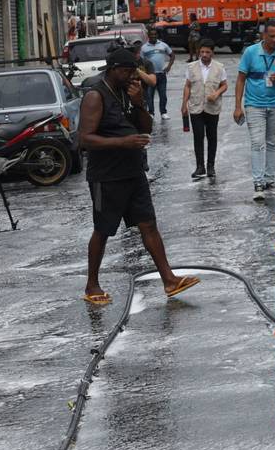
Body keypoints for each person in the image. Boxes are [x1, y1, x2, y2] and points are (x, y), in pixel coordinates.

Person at [79, 47, 200, 306]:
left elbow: (146, 129)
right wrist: (123, 142)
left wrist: (139, 104)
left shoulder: (129, 92)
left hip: (133, 172)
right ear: (112, 70)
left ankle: (169, 279)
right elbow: (85, 139)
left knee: (148, 224)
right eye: (127, 71)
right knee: (103, 230)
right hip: (107, 177)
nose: (132, 76)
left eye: (134, 71)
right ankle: (92, 285)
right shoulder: (95, 96)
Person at [233, 21, 275, 200]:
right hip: (254, 105)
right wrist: (238, 106)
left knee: (273, 143)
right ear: (264, 35)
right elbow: (240, 79)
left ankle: (270, 181)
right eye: (272, 36)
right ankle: (258, 183)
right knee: (257, 143)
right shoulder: (251, 52)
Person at [182, 39, 228, 181]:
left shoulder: (219, 67)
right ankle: (200, 166)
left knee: (212, 136)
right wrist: (184, 104)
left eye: (207, 52)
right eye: (202, 52)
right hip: (196, 106)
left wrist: (217, 93)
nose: (204, 54)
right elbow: (188, 86)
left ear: (212, 53)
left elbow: (224, 85)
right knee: (198, 136)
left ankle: (210, 166)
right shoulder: (191, 67)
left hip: (212, 108)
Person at [139, 25, 175, 117]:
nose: (153, 36)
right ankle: (151, 113)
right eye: (151, 35)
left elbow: (172, 55)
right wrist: (144, 74)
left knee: (163, 95)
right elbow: (140, 62)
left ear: (157, 35)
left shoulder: (163, 45)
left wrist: (169, 66)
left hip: (161, 75)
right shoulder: (144, 48)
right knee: (149, 96)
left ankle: (163, 112)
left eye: (155, 34)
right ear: (148, 36)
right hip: (150, 76)